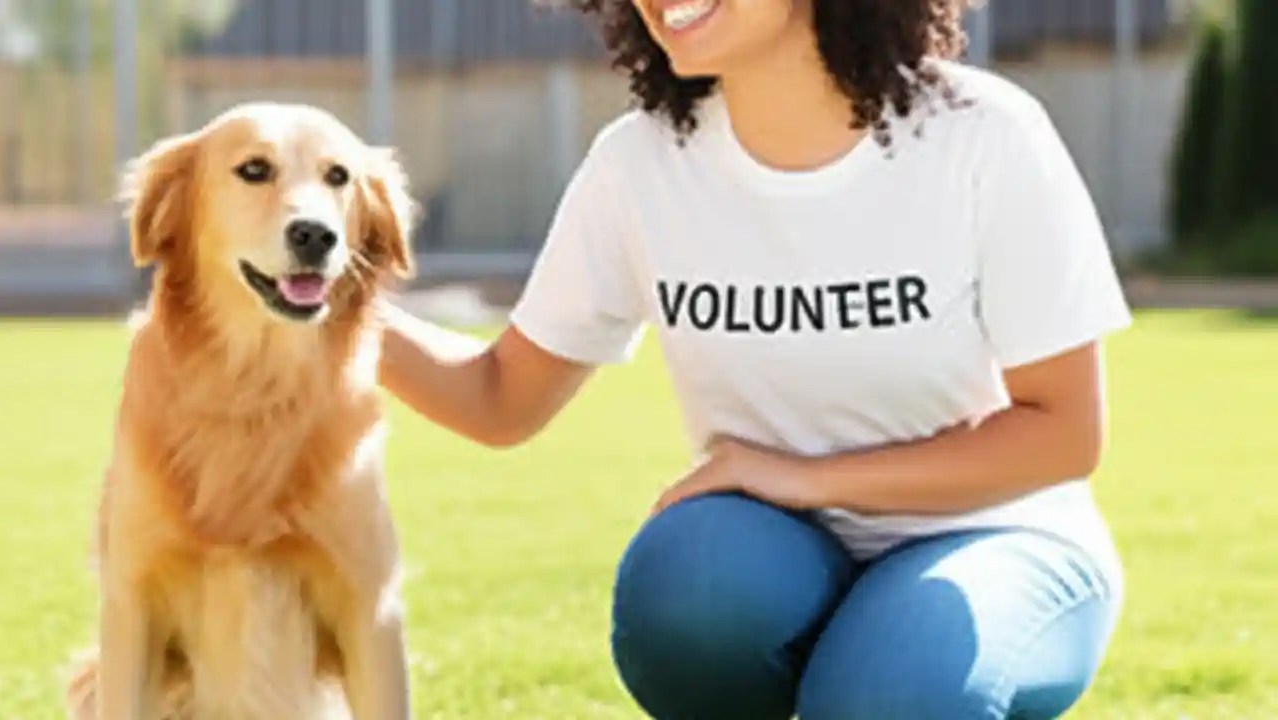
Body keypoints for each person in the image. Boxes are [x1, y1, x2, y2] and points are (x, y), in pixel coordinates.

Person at [378, 0, 1133, 717]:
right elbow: (500, 397)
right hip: (775, 550)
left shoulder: (983, 133)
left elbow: (1063, 433)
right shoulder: (637, 166)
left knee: (893, 695)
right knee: (690, 590)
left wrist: (805, 480)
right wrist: (317, 308)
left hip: (996, 534)